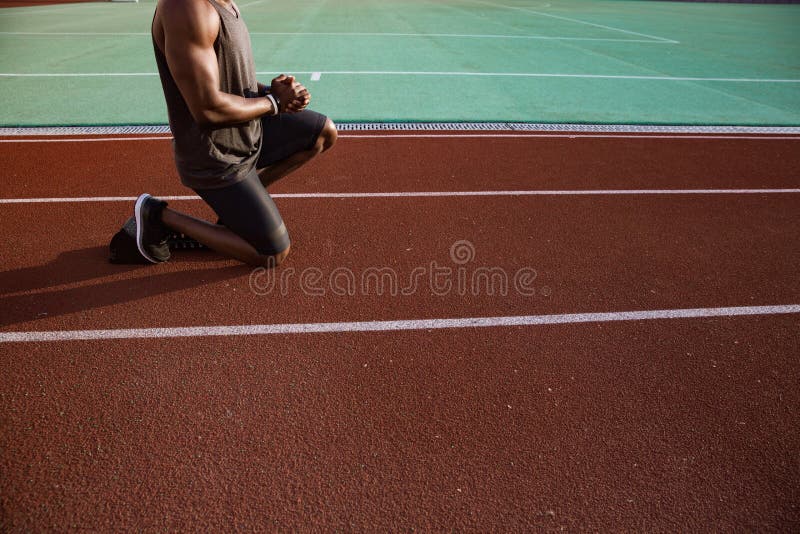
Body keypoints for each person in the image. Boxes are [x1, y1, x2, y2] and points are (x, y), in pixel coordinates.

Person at [132, 0, 337, 267]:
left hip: (249, 133)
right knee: (272, 253)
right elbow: (208, 110)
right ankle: (156, 216)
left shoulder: (223, 3)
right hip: (216, 156)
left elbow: (230, 79)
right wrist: (274, 103)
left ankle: (236, 216)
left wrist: (267, 91)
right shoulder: (186, 9)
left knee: (323, 132)